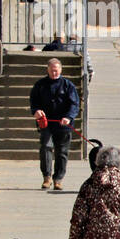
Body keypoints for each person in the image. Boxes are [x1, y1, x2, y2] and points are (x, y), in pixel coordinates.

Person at [29, 58, 80, 191]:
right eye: (52, 70)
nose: (54, 73)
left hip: (63, 124)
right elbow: (34, 101)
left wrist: (68, 117)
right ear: (48, 70)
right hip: (46, 123)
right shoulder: (40, 85)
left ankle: (58, 179)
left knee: (62, 152)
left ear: (60, 70)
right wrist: (36, 111)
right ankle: (47, 177)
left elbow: (75, 104)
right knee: (46, 146)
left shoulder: (68, 85)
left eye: (56, 70)